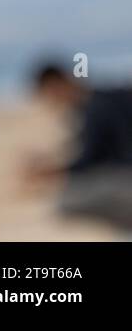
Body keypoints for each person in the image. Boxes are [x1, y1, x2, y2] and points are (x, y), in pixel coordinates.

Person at [24, 62, 132, 229]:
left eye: (50, 95)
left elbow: (90, 159)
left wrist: (52, 170)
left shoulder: (96, 108)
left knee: (67, 201)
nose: (52, 102)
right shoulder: (104, 98)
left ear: (57, 84)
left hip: (125, 177)